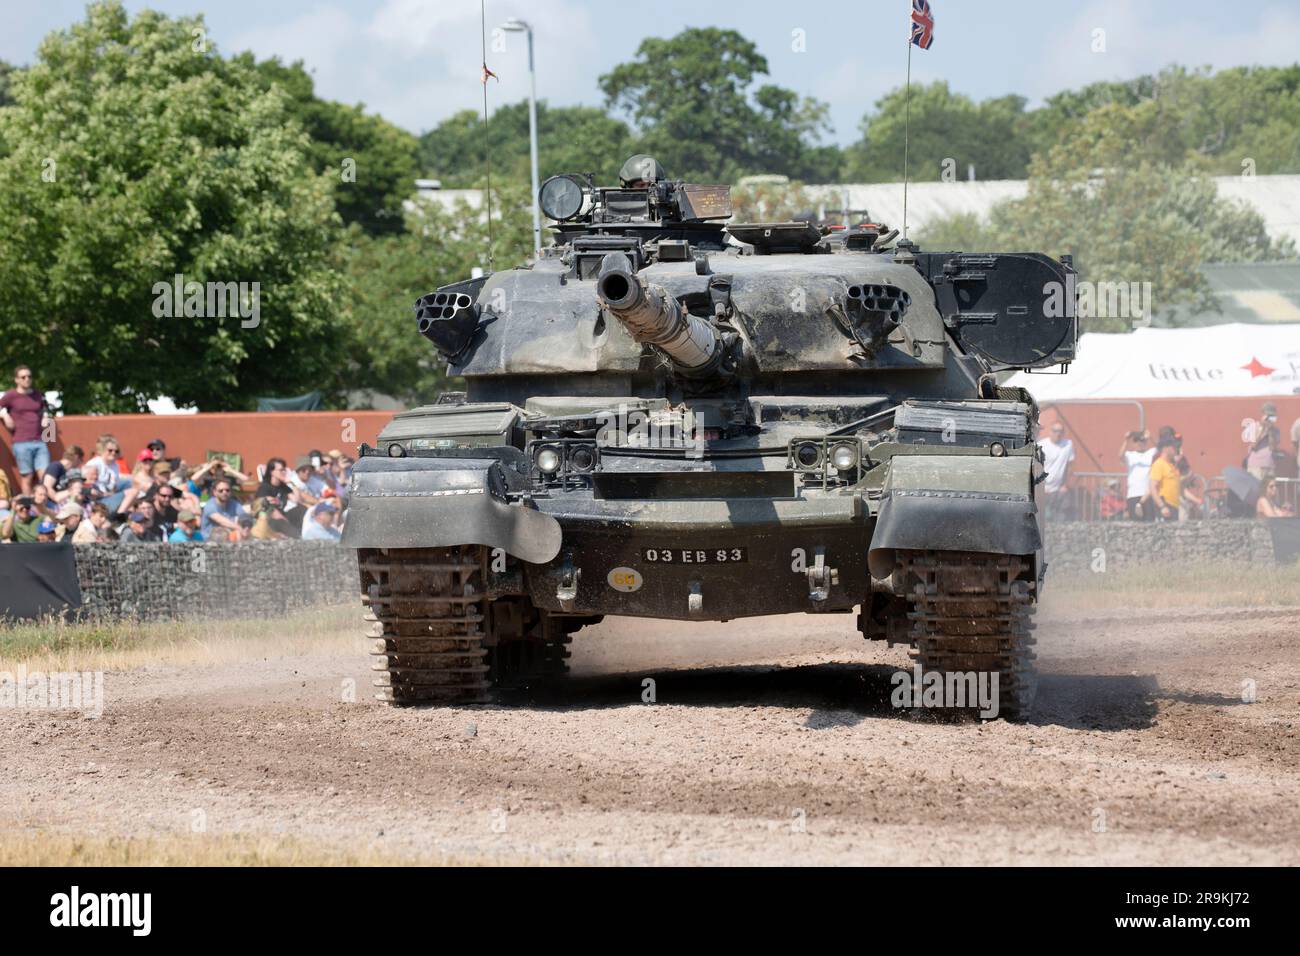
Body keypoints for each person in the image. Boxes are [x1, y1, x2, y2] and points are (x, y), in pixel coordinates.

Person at [0, 365, 52, 495]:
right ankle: (27, 504)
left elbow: (45, 408)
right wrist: (5, 415)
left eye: (29, 376)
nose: (27, 379)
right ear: (16, 380)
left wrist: (45, 416)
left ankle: (44, 504)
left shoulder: (37, 394)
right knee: (27, 477)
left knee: (45, 476)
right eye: (23, 377)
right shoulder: (11, 395)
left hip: (39, 441)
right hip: (21, 442)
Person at [82, 434, 131, 512]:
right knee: (131, 492)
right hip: (97, 500)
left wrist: (111, 493)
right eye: (110, 450)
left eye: (116, 451)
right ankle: (119, 515)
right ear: (103, 450)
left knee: (131, 482)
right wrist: (103, 494)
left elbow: (114, 487)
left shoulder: (115, 465)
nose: (113, 453)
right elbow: (86, 487)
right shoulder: (94, 463)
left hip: (108, 496)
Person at [1037, 422, 1076, 520]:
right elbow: (1036, 466)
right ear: (1050, 432)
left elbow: (1070, 466)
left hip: (1059, 489)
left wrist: (1065, 485)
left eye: (1060, 431)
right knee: (1041, 517)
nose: (1058, 433)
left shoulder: (1068, 445)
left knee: (1059, 518)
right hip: (1042, 488)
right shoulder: (1041, 445)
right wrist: (1040, 485)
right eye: (1055, 431)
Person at [1119, 429, 1156, 520]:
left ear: (1146, 442)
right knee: (1135, 523)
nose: (1139, 443)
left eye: (1142, 440)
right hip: (1133, 494)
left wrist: (1150, 437)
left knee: (1150, 522)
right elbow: (1120, 455)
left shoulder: (1150, 452)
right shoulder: (1129, 454)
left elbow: (1160, 449)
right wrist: (1126, 440)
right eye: (1136, 440)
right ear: (1133, 443)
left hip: (1148, 495)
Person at [1243, 402, 1283, 482]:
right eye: (1267, 415)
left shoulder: (1276, 431)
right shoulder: (1254, 427)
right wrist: (1262, 429)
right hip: (1255, 465)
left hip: (1269, 464)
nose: (1269, 418)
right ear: (1263, 414)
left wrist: (1270, 431)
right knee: (1256, 488)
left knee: (1268, 488)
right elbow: (1253, 445)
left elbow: (1273, 448)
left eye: (1272, 416)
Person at [1149, 440, 1182, 521]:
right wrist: (1162, 506)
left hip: (1174, 506)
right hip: (1166, 506)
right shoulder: (1159, 464)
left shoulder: (1172, 465)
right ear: (1165, 449)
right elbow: (1153, 487)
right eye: (1173, 447)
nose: (1176, 449)